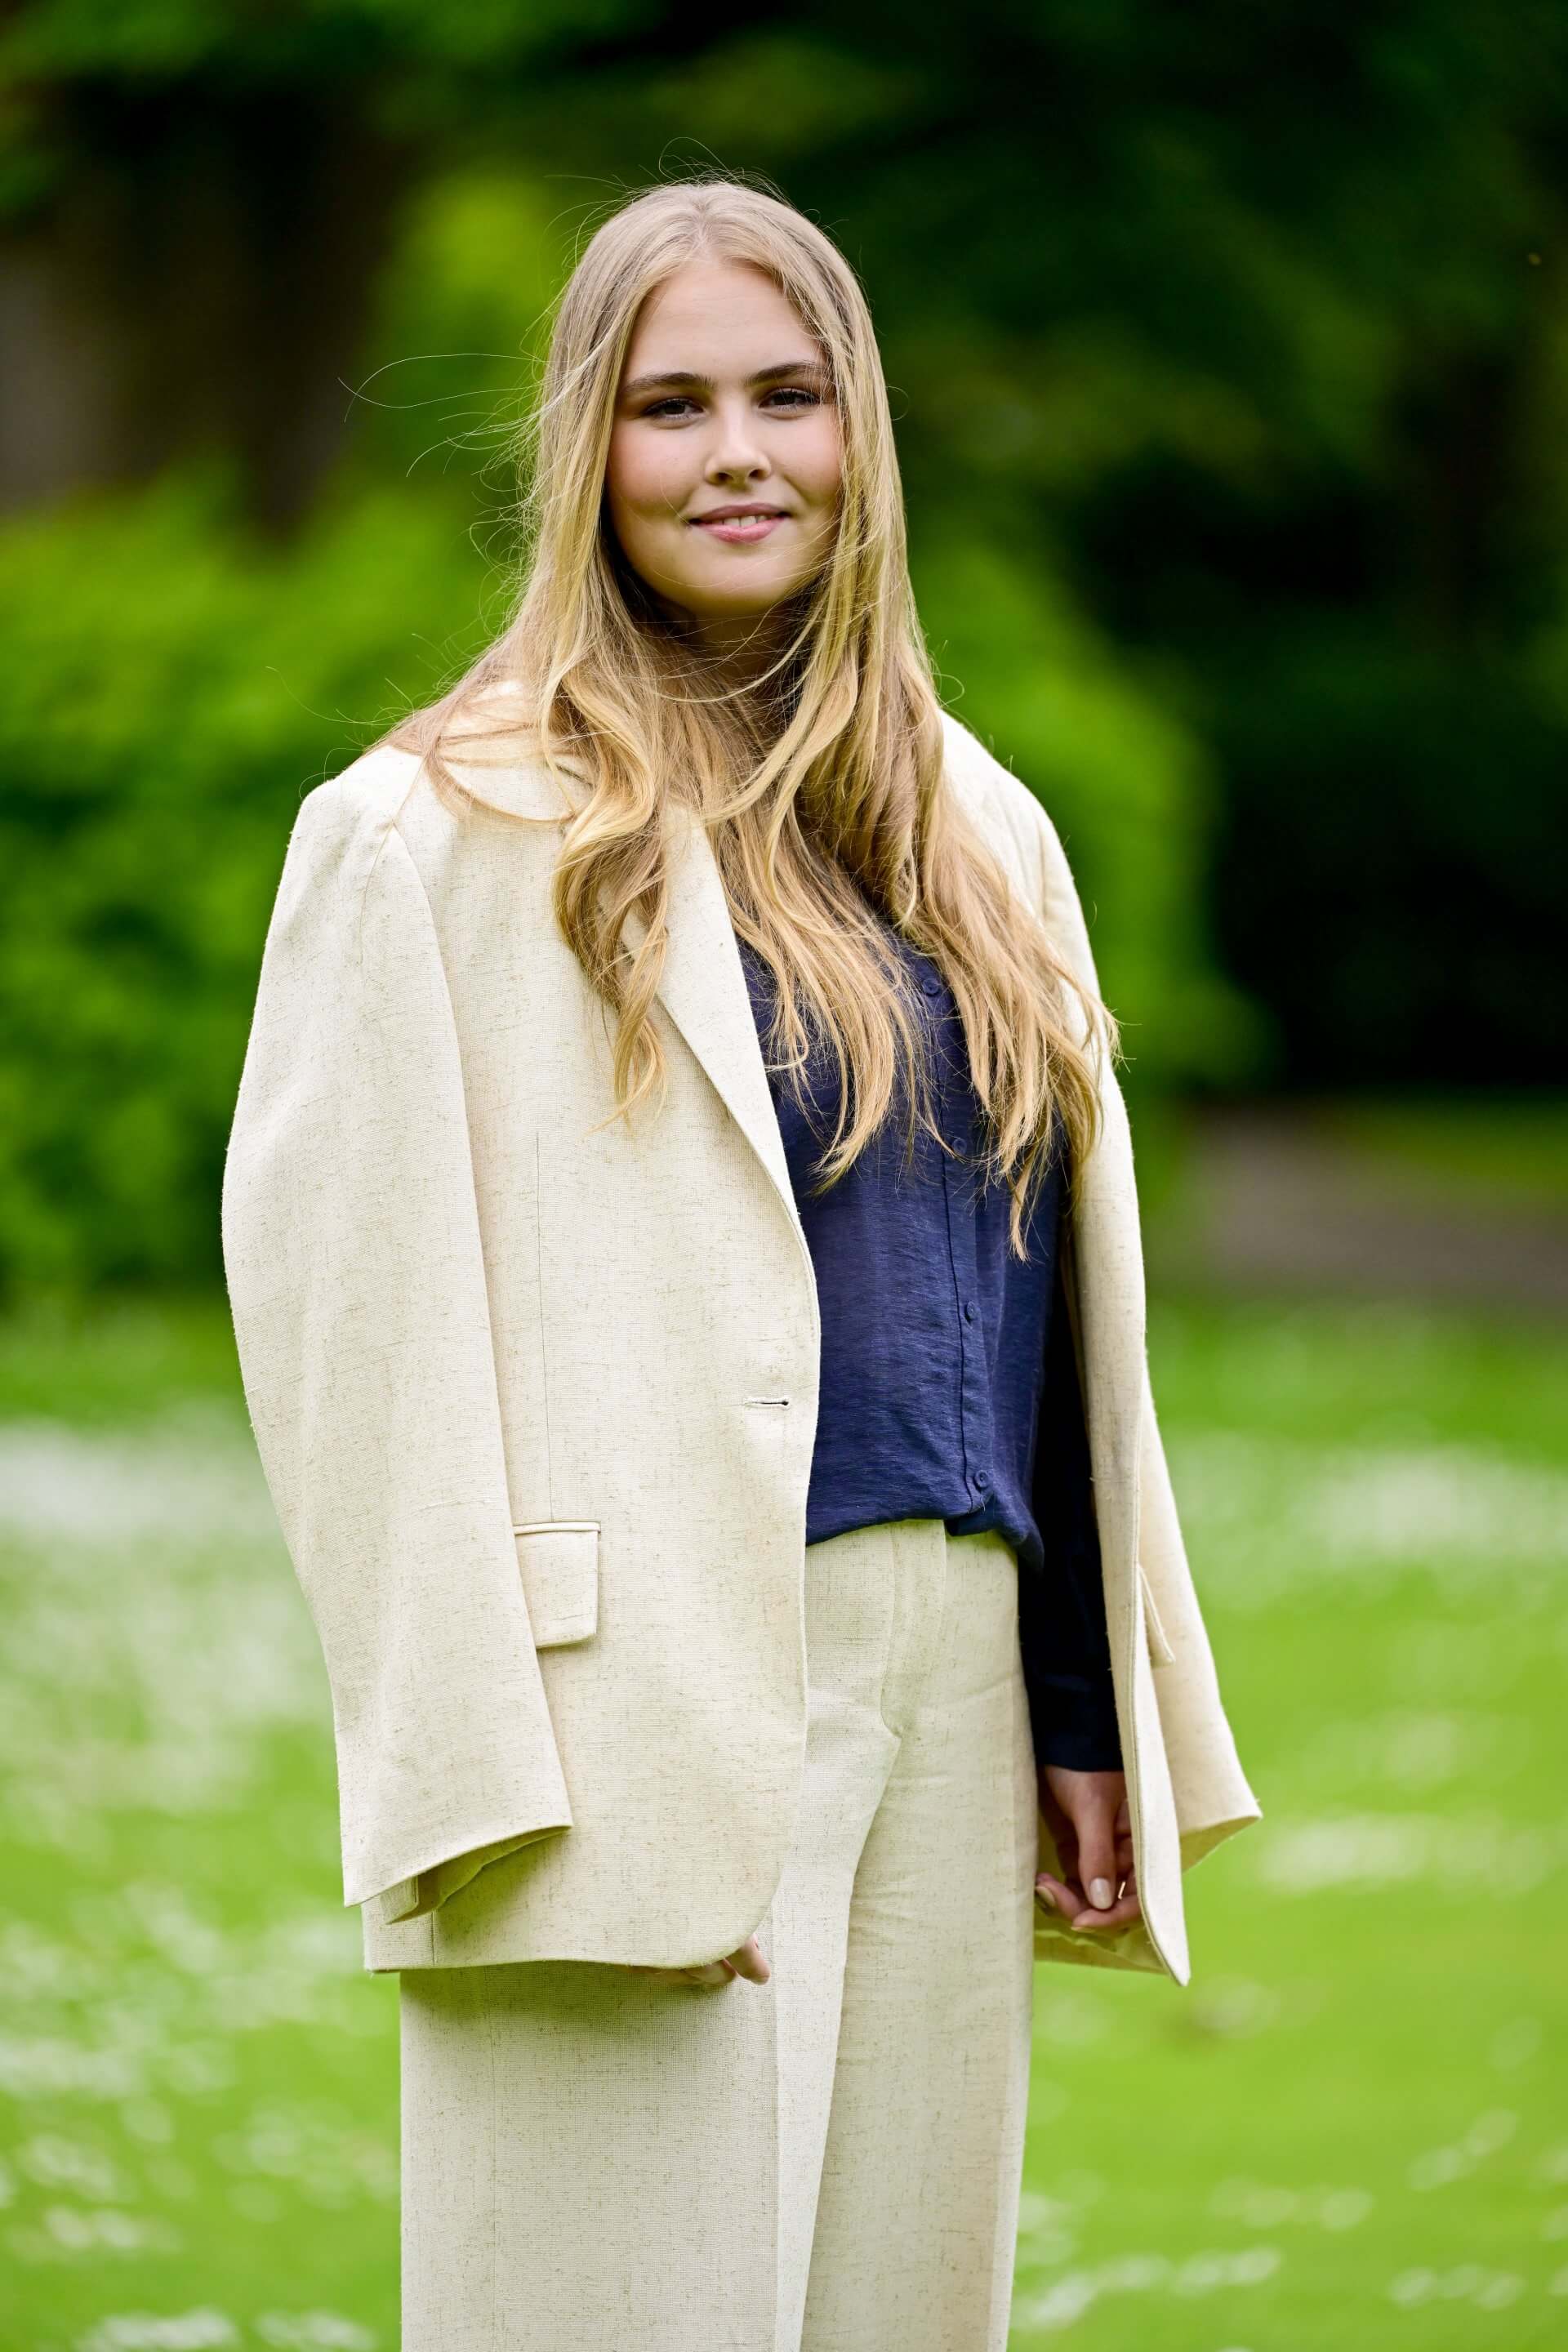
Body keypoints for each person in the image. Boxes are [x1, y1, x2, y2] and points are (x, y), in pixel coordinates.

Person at [221, 173, 1261, 2352]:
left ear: (860, 432)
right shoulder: (424, 838)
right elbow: (351, 1363)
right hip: (638, 1715)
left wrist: (1086, 1708)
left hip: (956, 1688)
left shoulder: (983, 827)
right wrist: (489, 1800)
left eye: (789, 395)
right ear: (589, 445)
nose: (736, 455)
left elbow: (1035, 1306)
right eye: (671, 403)